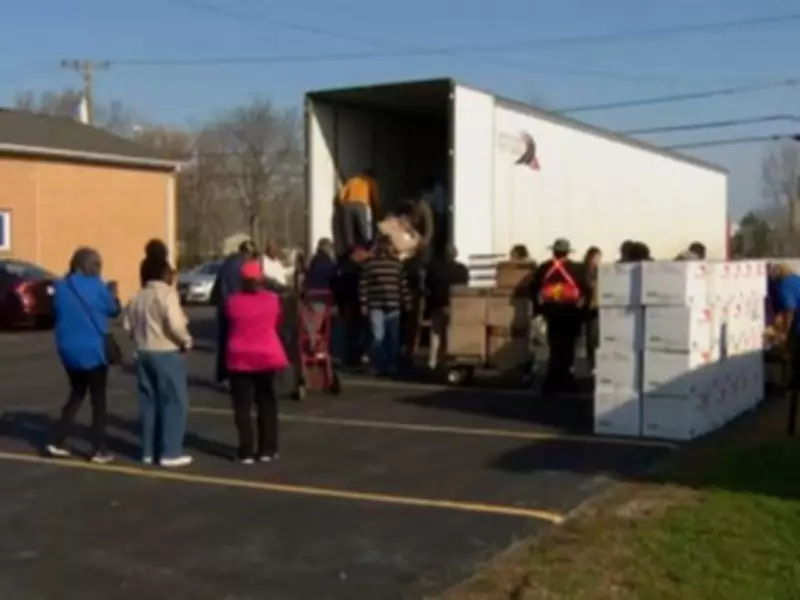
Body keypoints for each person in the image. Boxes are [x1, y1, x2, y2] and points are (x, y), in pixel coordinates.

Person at [47, 248, 121, 463]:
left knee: (77, 392)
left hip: (68, 349)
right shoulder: (97, 286)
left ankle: (59, 441)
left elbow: (57, 311)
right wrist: (113, 295)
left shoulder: (61, 287)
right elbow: (113, 310)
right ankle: (98, 448)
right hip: (93, 349)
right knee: (98, 400)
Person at [125, 260, 193, 467]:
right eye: (170, 272)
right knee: (174, 401)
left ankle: (148, 450)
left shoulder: (137, 296)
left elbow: (128, 324)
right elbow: (175, 324)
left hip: (143, 351)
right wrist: (186, 340)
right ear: (163, 274)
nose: (172, 276)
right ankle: (170, 451)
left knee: (149, 402)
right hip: (165, 351)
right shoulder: (167, 295)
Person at [226, 260, 289, 463]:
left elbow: (229, 323)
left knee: (242, 406)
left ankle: (246, 450)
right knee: (267, 403)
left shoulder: (233, 302)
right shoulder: (272, 300)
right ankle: (267, 449)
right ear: (261, 279)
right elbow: (278, 322)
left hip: (240, 357)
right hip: (265, 355)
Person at [530, 238, 590, 393]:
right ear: (568, 252)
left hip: (551, 311)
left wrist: (539, 309)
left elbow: (533, 289)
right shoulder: (577, 268)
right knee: (568, 346)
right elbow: (586, 289)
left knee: (554, 345)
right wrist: (583, 311)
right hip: (571, 312)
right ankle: (566, 378)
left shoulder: (544, 268)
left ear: (553, 252)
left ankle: (553, 379)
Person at [359, 234, 412, 375]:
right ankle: (379, 363)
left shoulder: (396, 265)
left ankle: (389, 364)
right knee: (379, 336)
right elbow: (364, 285)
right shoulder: (371, 265)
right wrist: (364, 303)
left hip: (391, 306)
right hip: (378, 306)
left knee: (390, 338)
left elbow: (403, 285)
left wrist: (407, 301)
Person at [211, 240, 257, 386]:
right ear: (248, 252)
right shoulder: (243, 266)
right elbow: (245, 286)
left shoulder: (227, 263)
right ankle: (235, 375)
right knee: (238, 342)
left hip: (223, 306)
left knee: (224, 341)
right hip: (236, 307)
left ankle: (222, 376)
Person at [425, 244, 469, 370]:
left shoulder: (434, 268)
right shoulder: (462, 269)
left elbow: (428, 285)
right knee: (451, 334)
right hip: (455, 306)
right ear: (456, 254)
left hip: (437, 304)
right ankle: (449, 358)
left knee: (435, 333)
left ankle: (432, 361)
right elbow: (464, 285)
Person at [339, 168, 379, 251]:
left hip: (347, 205)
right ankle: (366, 249)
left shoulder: (352, 180)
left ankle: (350, 251)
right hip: (361, 205)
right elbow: (375, 199)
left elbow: (341, 195)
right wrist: (377, 212)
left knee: (348, 231)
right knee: (364, 230)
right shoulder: (370, 181)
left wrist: (343, 204)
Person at [582, 246, 602, 373]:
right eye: (596, 257)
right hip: (589, 307)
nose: (598, 260)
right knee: (591, 337)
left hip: (596, 307)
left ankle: (594, 363)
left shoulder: (599, 271)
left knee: (594, 337)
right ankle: (591, 363)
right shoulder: (586, 272)